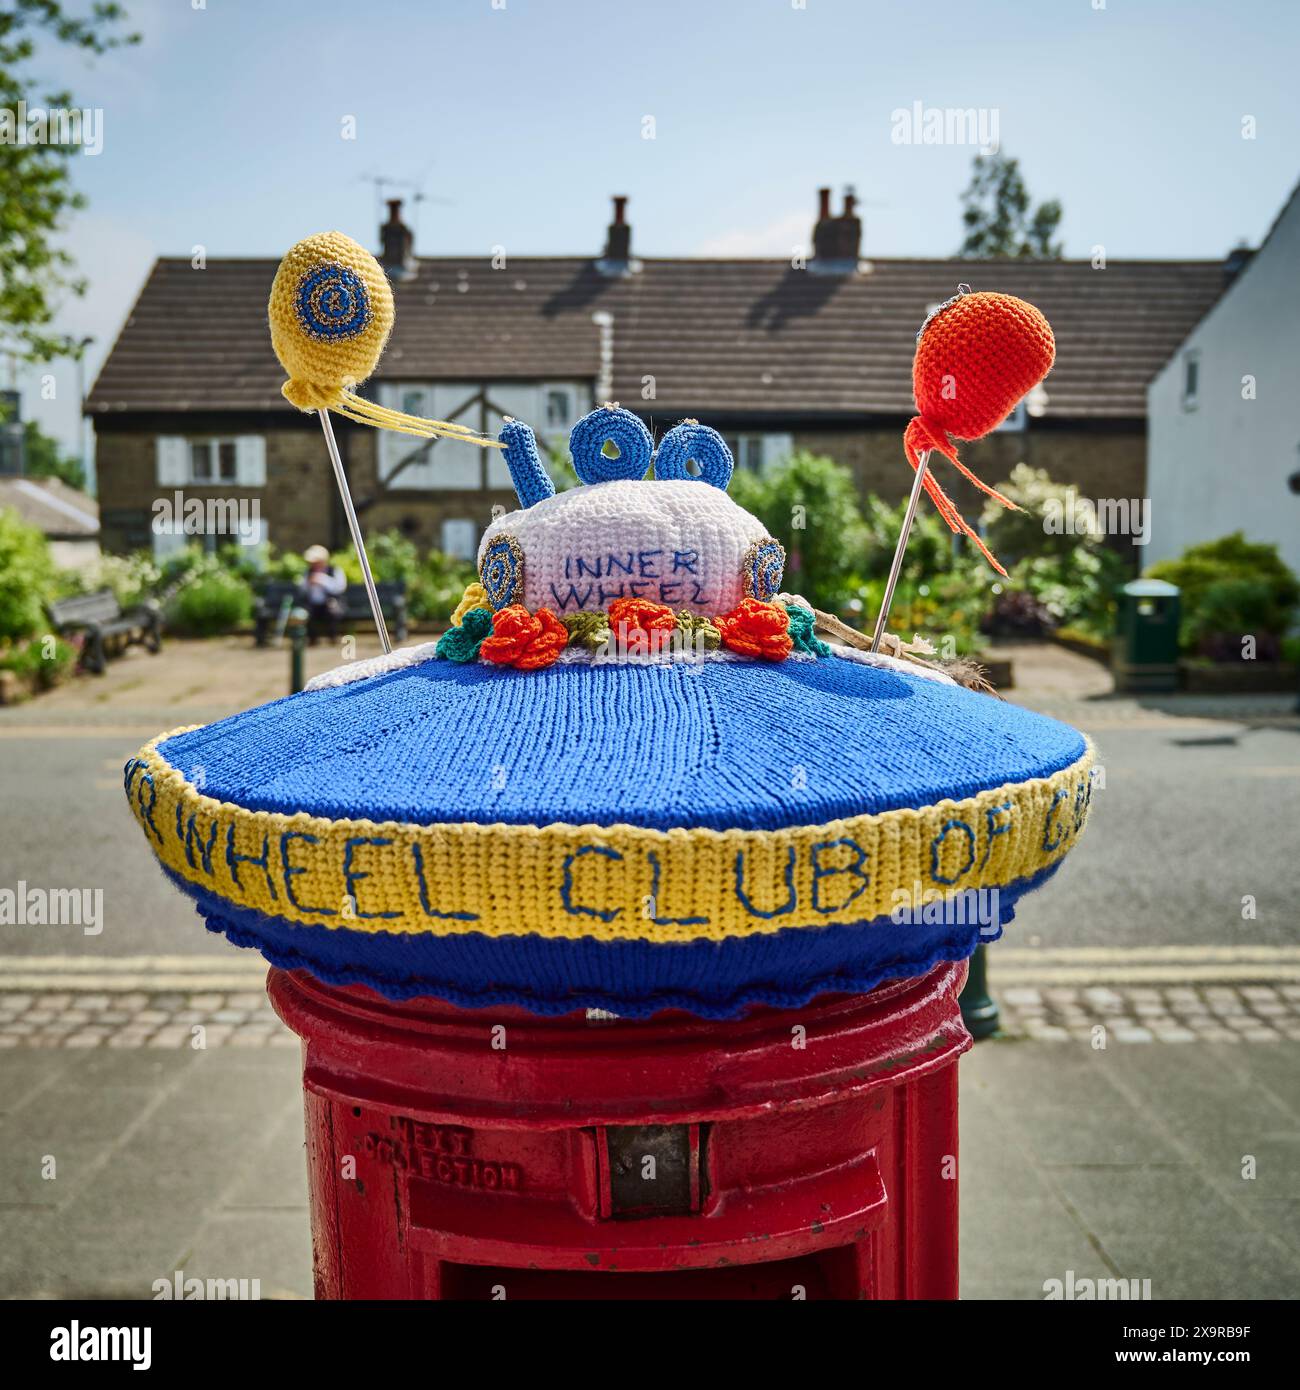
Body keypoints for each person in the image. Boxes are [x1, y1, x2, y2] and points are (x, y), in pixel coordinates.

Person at [297, 544, 347, 642]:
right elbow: (302, 590)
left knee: (332, 612)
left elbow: (340, 588)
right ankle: (312, 639)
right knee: (306, 613)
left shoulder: (335, 571)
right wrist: (308, 583)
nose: (313, 564)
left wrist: (323, 580)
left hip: (330, 603)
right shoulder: (308, 572)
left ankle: (332, 638)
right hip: (313, 604)